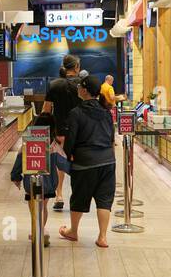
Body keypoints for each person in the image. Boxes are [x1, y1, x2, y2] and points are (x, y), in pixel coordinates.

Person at [58, 75, 117, 248]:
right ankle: (102, 237)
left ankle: (73, 231)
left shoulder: (77, 112)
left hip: (85, 162)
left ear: (84, 90)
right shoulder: (106, 112)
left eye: (79, 87)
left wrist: (68, 156)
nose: (77, 89)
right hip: (107, 161)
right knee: (104, 199)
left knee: (79, 197)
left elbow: (70, 141)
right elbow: (111, 138)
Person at [9, 113, 56, 246]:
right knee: (43, 206)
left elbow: (19, 160)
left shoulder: (28, 142)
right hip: (48, 183)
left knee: (35, 207)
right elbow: (61, 162)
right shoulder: (53, 144)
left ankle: (39, 231)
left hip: (31, 182)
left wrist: (15, 177)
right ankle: (40, 229)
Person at [43, 55, 81, 213]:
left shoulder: (54, 85)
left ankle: (59, 195)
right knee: (78, 163)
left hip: (59, 131)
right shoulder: (81, 84)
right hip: (78, 130)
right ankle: (77, 196)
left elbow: (46, 110)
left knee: (60, 163)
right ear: (77, 67)